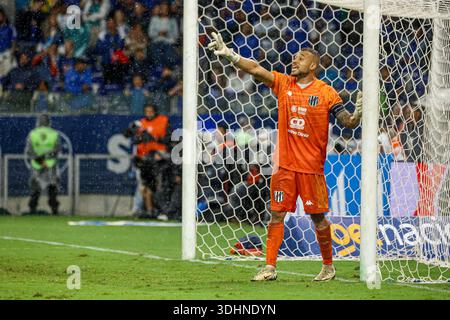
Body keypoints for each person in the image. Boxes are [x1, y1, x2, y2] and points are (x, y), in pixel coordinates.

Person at [208, 32, 363, 282]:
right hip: (285, 167)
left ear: (313, 65)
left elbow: (347, 121)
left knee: (318, 218)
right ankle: (269, 267)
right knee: (276, 214)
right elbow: (257, 69)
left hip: (311, 168)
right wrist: (230, 55)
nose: (295, 60)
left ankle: (328, 266)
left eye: (301, 58)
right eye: (294, 57)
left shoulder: (326, 93)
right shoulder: (284, 84)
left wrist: (357, 115)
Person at [123, 103, 170, 218]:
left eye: (150, 111)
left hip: (159, 158)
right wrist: (133, 133)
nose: (148, 114)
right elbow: (129, 136)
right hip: (144, 159)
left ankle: (162, 211)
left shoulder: (163, 121)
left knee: (157, 185)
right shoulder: (141, 123)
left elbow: (168, 138)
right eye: (146, 111)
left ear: (155, 111)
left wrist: (155, 138)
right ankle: (142, 209)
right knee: (143, 185)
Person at [25, 114, 60, 215]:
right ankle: (54, 211)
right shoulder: (54, 134)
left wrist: (40, 160)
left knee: (35, 189)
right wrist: (46, 159)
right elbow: (57, 149)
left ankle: (32, 210)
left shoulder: (33, 134)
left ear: (38, 121)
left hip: (36, 164)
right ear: (49, 122)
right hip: (50, 164)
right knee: (52, 188)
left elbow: (29, 151)